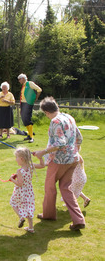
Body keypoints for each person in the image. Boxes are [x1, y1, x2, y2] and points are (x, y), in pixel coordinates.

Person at [33, 97, 85, 231]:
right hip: (73, 159)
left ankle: (48, 215)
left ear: (46, 112)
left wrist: (42, 152)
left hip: (59, 161)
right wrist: (74, 151)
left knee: (49, 187)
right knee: (66, 188)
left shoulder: (55, 121)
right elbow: (79, 137)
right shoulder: (69, 117)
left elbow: (60, 142)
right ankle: (78, 220)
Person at [9, 147, 37, 233]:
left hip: (21, 192)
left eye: (16, 157)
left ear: (21, 159)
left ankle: (21, 217)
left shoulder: (20, 171)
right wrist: (40, 158)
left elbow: (20, 184)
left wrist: (12, 179)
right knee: (28, 208)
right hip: (29, 191)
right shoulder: (31, 166)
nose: (16, 159)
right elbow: (42, 165)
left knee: (13, 202)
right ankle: (31, 227)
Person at [18, 74, 42, 143]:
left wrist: (36, 98)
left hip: (28, 104)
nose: (19, 81)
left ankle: (32, 137)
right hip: (23, 104)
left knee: (28, 119)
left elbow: (39, 90)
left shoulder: (30, 83)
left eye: (19, 79)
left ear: (23, 78)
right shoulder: (24, 86)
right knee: (24, 119)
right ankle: (29, 135)